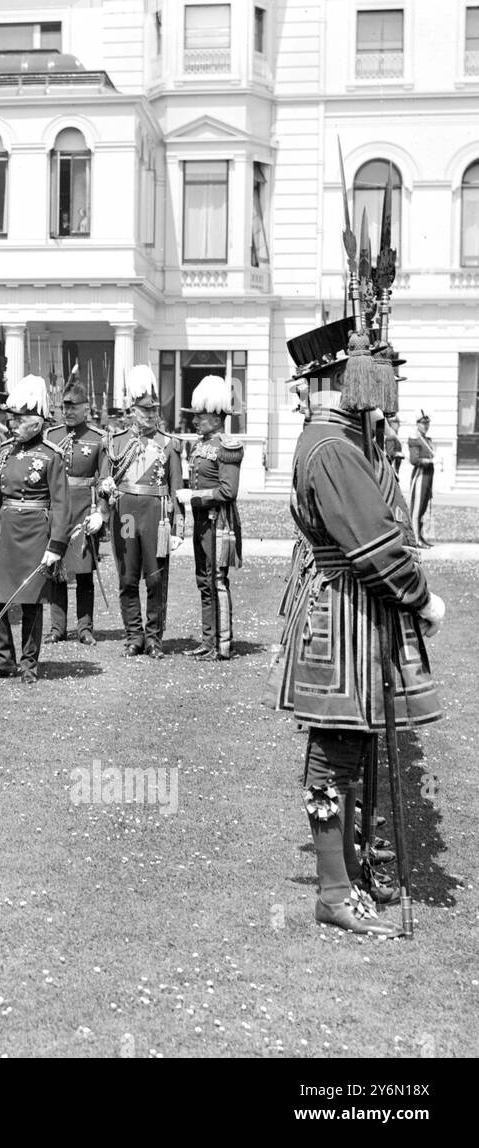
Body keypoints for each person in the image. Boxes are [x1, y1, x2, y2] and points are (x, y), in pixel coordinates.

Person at [268, 329, 444, 935]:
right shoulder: (333, 447)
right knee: (335, 749)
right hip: (345, 610)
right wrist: (421, 599)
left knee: (355, 747)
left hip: (353, 610)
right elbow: (373, 546)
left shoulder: (341, 438)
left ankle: (347, 874)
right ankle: (334, 892)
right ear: (347, 380)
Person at [0, 373, 64, 681]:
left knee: (29, 602)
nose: (12, 424)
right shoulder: (4, 451)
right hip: (4, 532)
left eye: (18, 419)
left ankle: (28, 664)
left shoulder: (51, 457)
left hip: (35, 533)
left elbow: (61, 505)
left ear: (36, 422)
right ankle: (3, 659)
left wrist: (57, 546)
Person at [99, 365, 183, 658]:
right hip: (126, 517)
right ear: (132, 410)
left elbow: (177, 490)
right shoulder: (115, 442)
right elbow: (104, 480)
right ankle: (134, 636)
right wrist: (103, 499)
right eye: (144, 410)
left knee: (156, 578)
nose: (150, 415)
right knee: (127, 575)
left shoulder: (169, 444)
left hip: (156, 518)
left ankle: (154, 637)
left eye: (154, 410)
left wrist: (178, 528)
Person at [176, 375, 243, 660]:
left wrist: (193, 498)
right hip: (203, 521)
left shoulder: (227, 446)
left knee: (216, 580)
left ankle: (222, 644)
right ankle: (208, 640)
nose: (195, 421)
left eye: (200, 416)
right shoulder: (199, 445)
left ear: (216, 417)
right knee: (203, 579)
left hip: (219, 521)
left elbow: (228, 491)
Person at [43, 381, 108, 646]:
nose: (68, 412)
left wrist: (101, 513)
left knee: (83, 572)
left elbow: (105, 480)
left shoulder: (97, 438)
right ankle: (57, 627)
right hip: (57, 511)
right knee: (55, 569)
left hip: (83, 509)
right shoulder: (51, 436)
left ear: (86, 409)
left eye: (74, 408)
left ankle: (85, 628)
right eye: (64, 407)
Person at [407, 411, 435, 546]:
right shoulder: (415, 439)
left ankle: (420, 537)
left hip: (428, 474)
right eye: (423, 423)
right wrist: (427, 461)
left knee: (423, 506)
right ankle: (415, 539)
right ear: (417, 424)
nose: (426, 426)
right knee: (417, 508)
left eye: (427, 423)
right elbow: (414, 459)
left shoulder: (427, 439)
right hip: (420, 474)